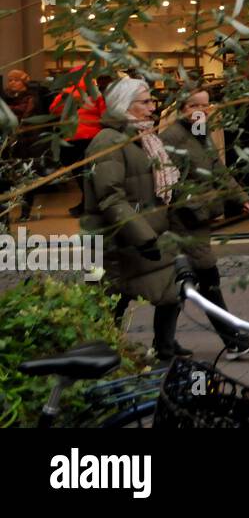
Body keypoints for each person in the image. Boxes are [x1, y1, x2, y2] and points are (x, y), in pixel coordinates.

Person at [81, 78, 186, 362]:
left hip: (144, 236)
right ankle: (104, 358)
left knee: (171, 290)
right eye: (146, 102)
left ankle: (164, 347)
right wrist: (143, 236)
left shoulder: (144, 138)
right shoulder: (108, 141)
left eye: (153, 101)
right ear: (124, 105)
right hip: (117, 241)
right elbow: (109, 196)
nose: (153, 107)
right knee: (111, 302)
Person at [162, 87, 249, 356]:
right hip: (183, 221)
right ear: (182, 109)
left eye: (206, 106)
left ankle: (163, 343)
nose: (203, 111)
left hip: (198, 219)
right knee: (207, 276)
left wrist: (240, 197)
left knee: (181, 284)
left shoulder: (201, 133)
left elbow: (217, 169)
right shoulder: (171, 137)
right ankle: (233, 340)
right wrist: (196, 202)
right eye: (196, 106)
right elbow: (169, 183)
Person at [49, 67, 108, 217]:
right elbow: (104, 114)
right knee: (90, 174)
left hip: (72, 138)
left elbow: (54, 110)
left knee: (80, 174)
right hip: (93, 138)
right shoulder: (95, 93)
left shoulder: (67, 92)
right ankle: (89, 204)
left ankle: (87, 205)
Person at [2, 70, 43, 221]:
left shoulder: (31, 97)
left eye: (16, 80)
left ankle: (25, 212)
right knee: (7, 179)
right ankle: (6, 213)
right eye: (10, 80)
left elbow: (25, 114)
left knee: (26, 176)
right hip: (10, 144)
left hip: (28, 143)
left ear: (23, 82)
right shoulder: (6, 98)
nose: (12, 83)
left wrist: (6, 111)